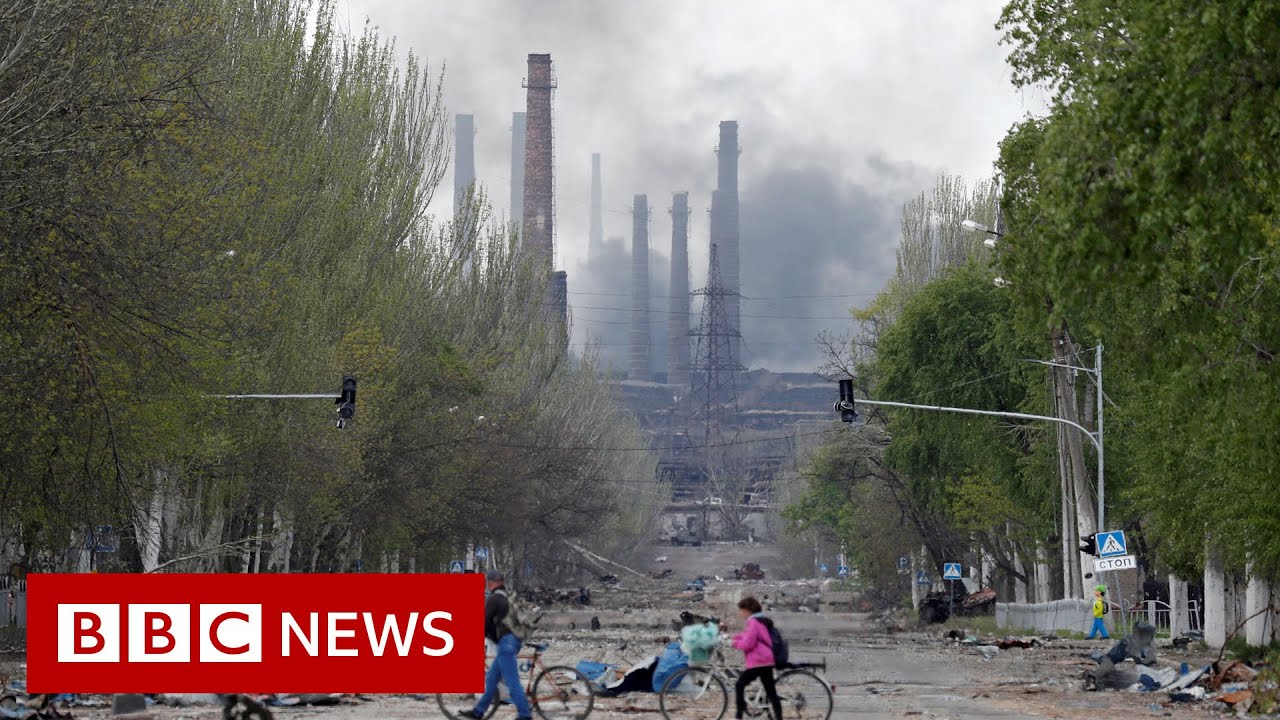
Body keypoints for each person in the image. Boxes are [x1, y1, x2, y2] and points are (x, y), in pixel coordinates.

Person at [461, 570, 531, 720]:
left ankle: (525, 715)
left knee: (512, 682)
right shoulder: (509, 596)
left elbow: (484, 622)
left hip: (506, 643)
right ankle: (478, 712)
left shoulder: (494, 599)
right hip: (514, 640)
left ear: (490, 583)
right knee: (492, 679)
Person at [731, 597, 783, 720]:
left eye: (742, 610)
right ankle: (779, 718)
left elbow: (747, 644)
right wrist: (735, 637)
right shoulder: (760, 621)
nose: (741, 613)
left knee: (739, 685)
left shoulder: (753, 622)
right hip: (766, 660)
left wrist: (733, 643)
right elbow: (747, 636)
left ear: (748, 610)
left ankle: (739, 715)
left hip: (758, 662)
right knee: (771, 693)